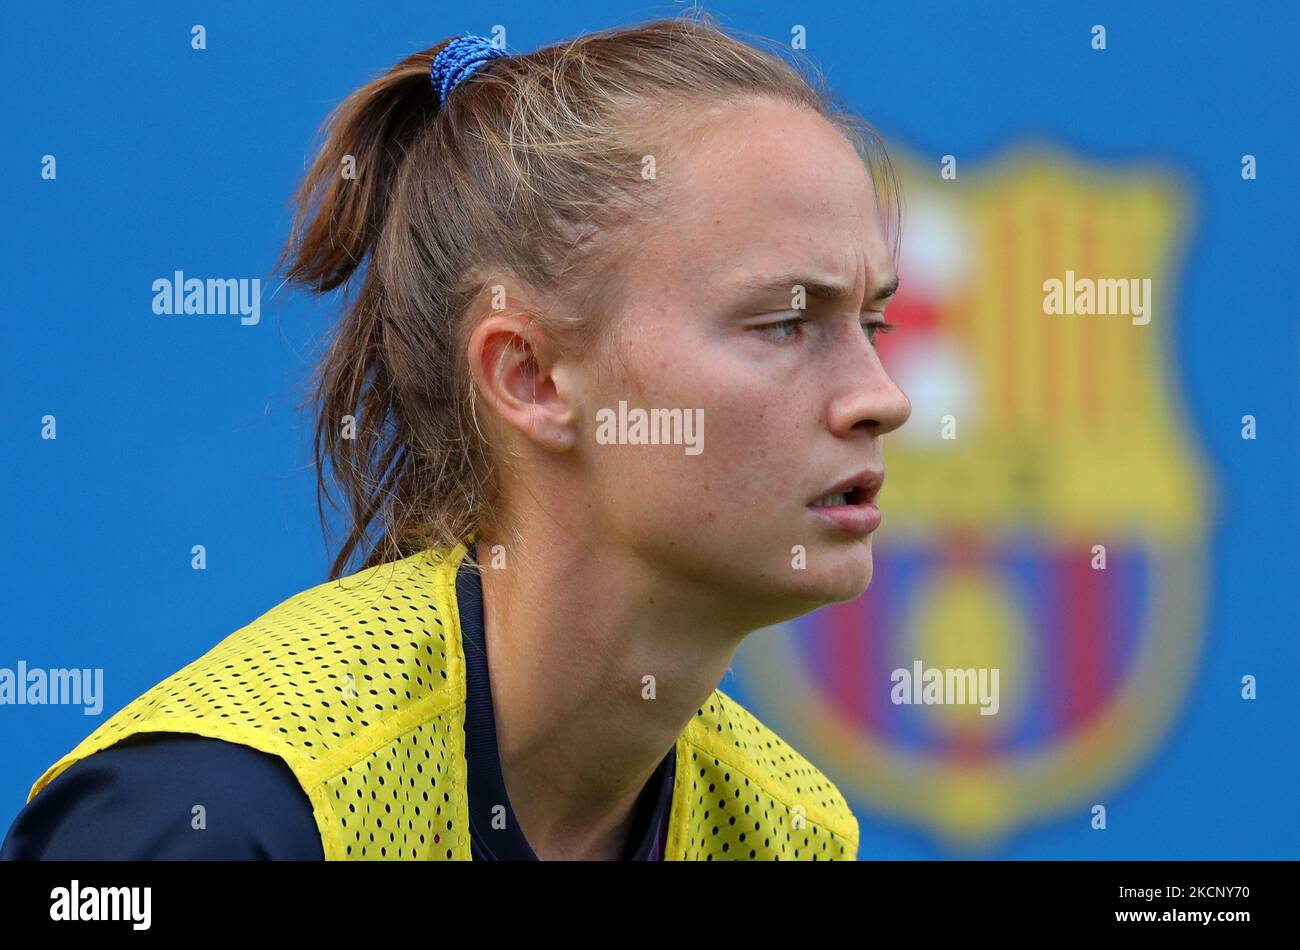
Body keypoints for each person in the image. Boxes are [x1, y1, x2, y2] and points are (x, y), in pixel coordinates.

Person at [2, 13, 910, 861]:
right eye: (785, 323)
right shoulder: (216, 816)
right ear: (531, 378)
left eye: (873, 323)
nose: (881, 399)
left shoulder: (792, 832)